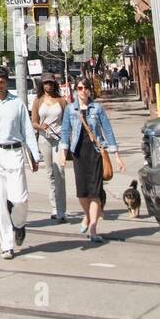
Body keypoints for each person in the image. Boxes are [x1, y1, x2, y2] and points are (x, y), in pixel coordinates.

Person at [0, 66, 39, 259]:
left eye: (3, 82)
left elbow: (27, 130)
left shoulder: (16, 103)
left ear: (7, 83)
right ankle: (6, 245)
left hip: (15, 152)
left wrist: (35, 155)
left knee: (19, 198)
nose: (0, 85)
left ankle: (18, 224)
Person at [59, 78, 125, 242]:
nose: (83, 90)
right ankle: (87, 215)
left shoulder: (97, 108)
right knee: (82, 192)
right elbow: (65, 131)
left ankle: (94, 227)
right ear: (76, 90)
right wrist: (63, 152)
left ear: (90, 90)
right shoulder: (70, 109)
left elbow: (107, 130)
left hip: (96, 152)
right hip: (78, 153)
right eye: (80, 88)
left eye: (86, 87)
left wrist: (116, 155)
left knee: (95, 192)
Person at [31, 77, 68, 222]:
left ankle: (61, 210)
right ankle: (54, 208)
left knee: (60, 172)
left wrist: (66, 136)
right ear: (42, 85)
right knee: (50, 173)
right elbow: (34, 122)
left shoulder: (61, 101)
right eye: (46, 83)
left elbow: (67, 120)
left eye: (51, 83)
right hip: (44, 140)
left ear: (55, 85)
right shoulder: (37, 101)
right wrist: (42, 126)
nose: (49, 85)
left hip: (59, 140)